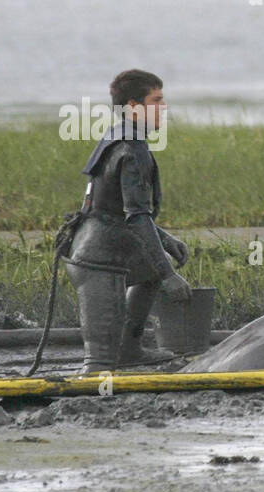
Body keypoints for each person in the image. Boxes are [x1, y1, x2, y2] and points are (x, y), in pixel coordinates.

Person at [62, 69, 192, 374]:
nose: (164, 108)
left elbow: (119, 209)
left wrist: (164, 241)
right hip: (97, 261)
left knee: (149, 272)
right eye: (157, 100)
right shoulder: (131, 149)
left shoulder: (120, 134)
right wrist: (169, 274)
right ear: (134, 107)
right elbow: (137, 217)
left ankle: (130, 350)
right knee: (98, 365)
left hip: (107, 242)